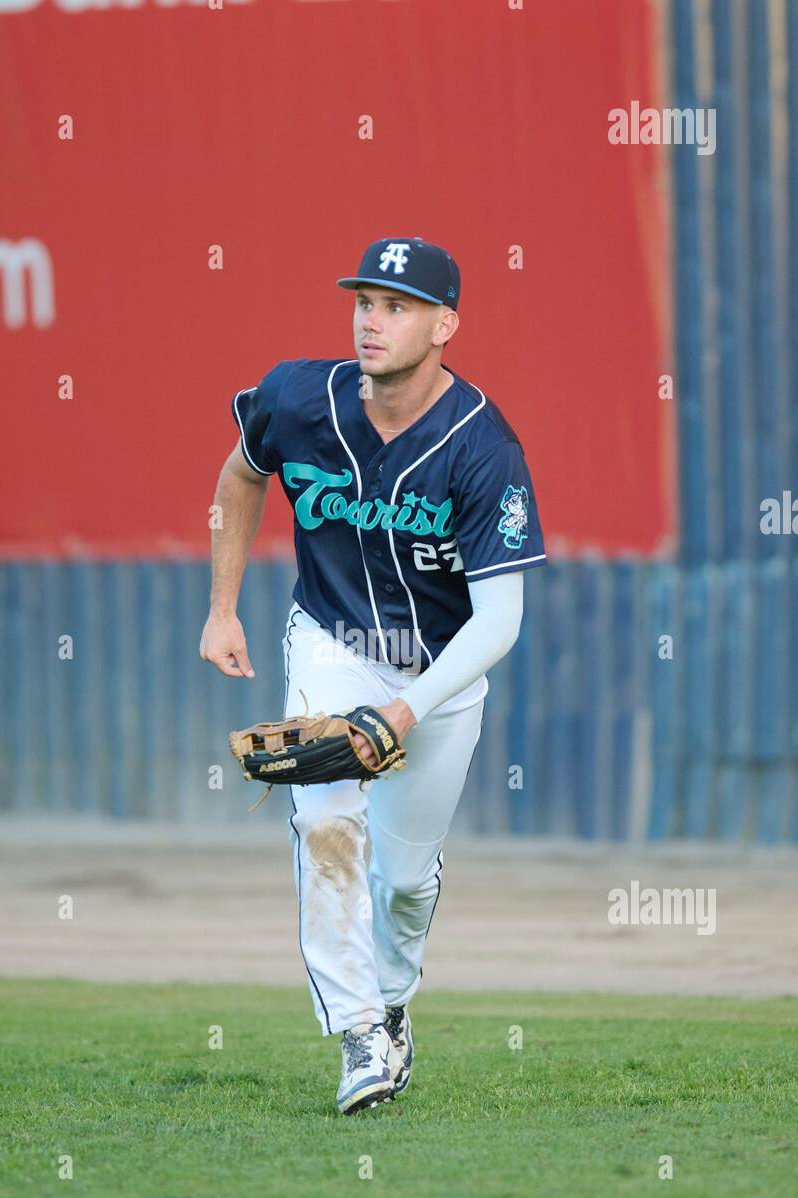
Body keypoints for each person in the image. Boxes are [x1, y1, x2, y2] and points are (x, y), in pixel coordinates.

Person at [200, 237, 547, 1113]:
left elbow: (499, 620)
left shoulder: (482, 445)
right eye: (364, 301)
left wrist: (405, 709)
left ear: (445, 325)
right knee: (323, 820)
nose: (372, 319)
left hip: (440, 668)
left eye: (396, 306)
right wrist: (222, 606)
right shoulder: (296, 396)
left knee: (403, 881)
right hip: (331, 637)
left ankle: (392, 1006)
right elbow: (243, 473)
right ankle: (359, 1032)